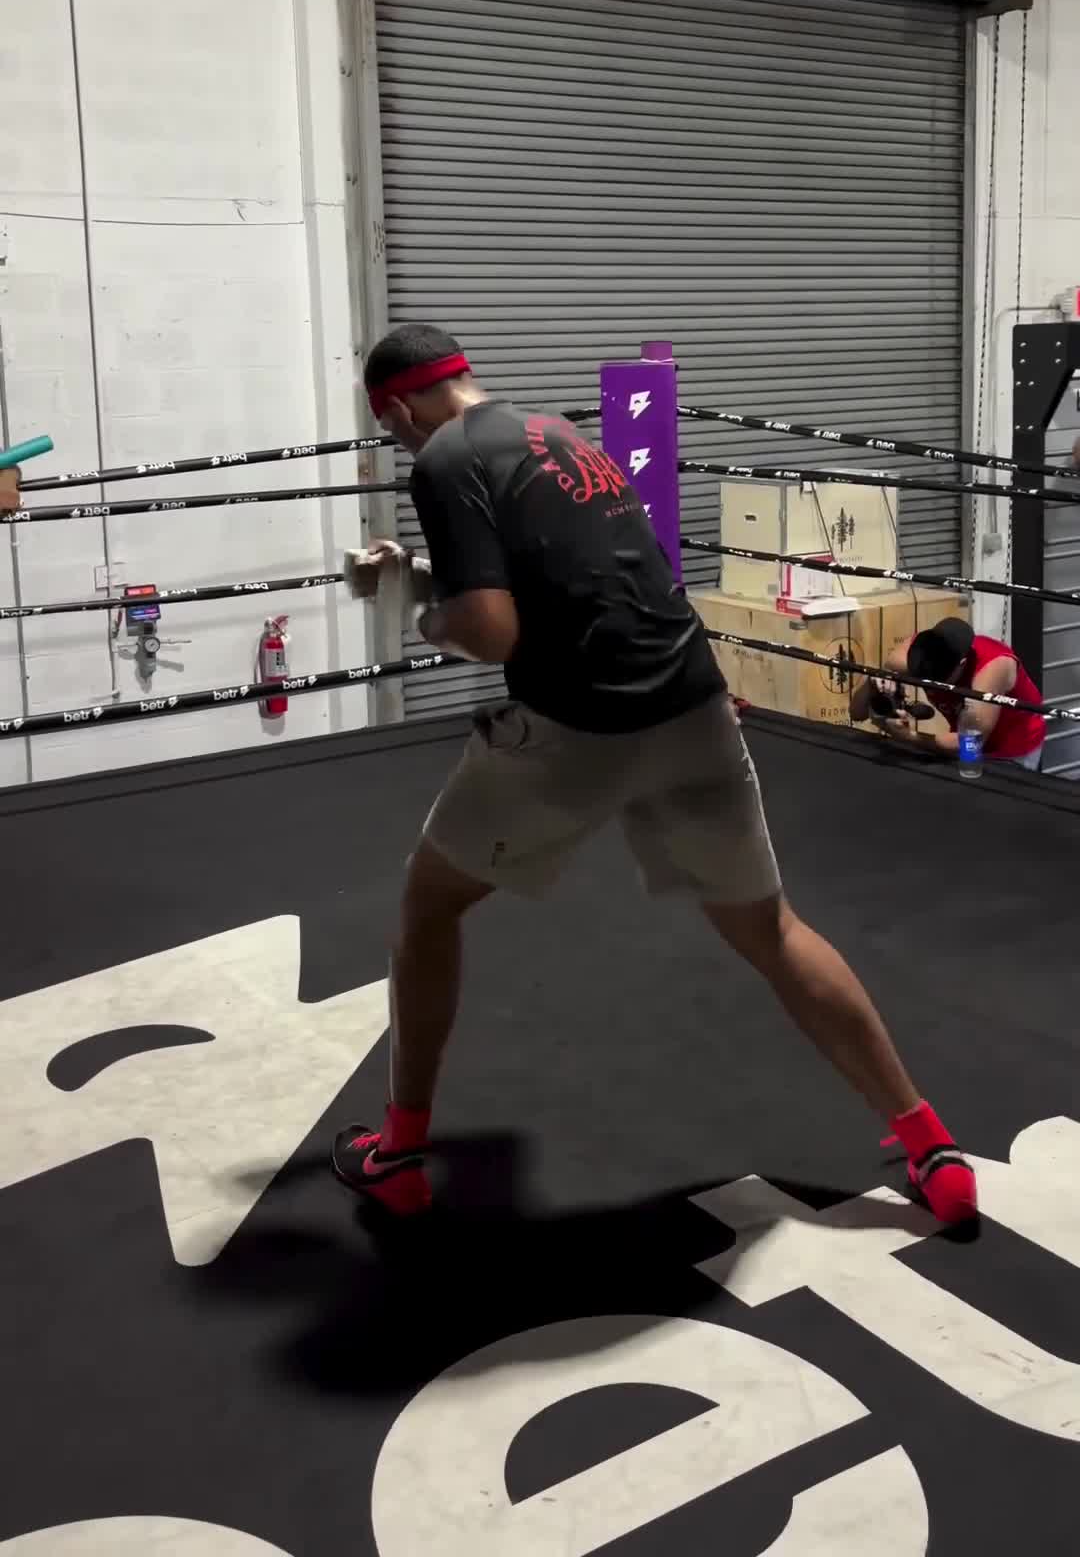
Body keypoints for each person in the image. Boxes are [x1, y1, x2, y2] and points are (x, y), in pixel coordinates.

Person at [332, 324, 978, 1224]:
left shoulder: (441, 459)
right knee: (774, 932)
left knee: (427, 908)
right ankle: (931, 1147)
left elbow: (492, 631)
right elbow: (567, 578)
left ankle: (399, 1153)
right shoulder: (558, 434)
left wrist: (412, 609)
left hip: (576, 727)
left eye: (394, 426)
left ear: (397, 408)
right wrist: (421, 569)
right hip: (695, 707)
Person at [852, 616, 1044, 770]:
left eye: (939, 680)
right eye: (925, 679)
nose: (932, 685)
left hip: (1010, 747)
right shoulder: (912, 657)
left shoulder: (991, 671)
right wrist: (872, 682)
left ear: (961, 665)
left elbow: (969, 747)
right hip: (964, 737)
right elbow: (856, 713)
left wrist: (909, 736)